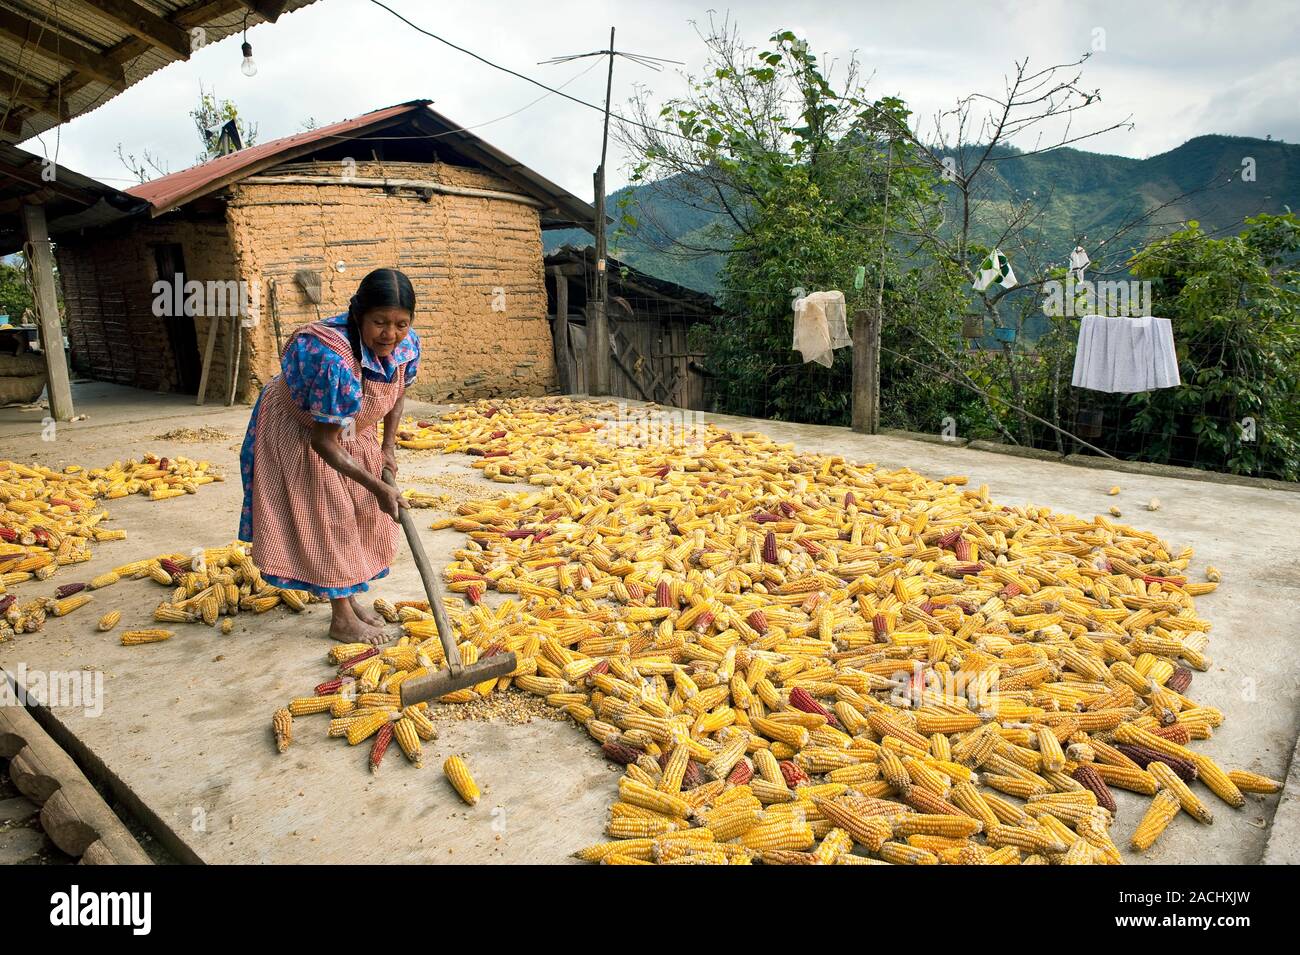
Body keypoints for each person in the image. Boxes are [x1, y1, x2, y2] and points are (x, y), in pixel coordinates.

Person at [239, 268, 418, 644]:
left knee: (358, 514)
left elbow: (397, 391)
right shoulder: (330, 357)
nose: (390, 334)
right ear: (359, 315)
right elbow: (324, 443)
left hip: (352, 426)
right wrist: (378, 487)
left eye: (401, 323)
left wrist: (387, 446)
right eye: (379, 322)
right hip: (302, 429)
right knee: (328, 516)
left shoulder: (406, 344)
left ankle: (349, 601)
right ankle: (341, 618)